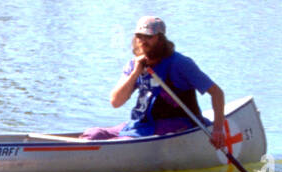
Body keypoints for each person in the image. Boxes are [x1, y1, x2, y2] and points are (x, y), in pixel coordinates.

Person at [82, 16, 226, 146]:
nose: (143, 41)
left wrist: (218, 130)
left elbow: (217, 93)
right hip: (141, 125)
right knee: (93, 134)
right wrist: (135, 73)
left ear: (160, 39)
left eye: (148, 37)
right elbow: (116, 102)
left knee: (122, 142)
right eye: (139, 36)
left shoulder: (180, 63)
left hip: (176, 123)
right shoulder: (134, 65)